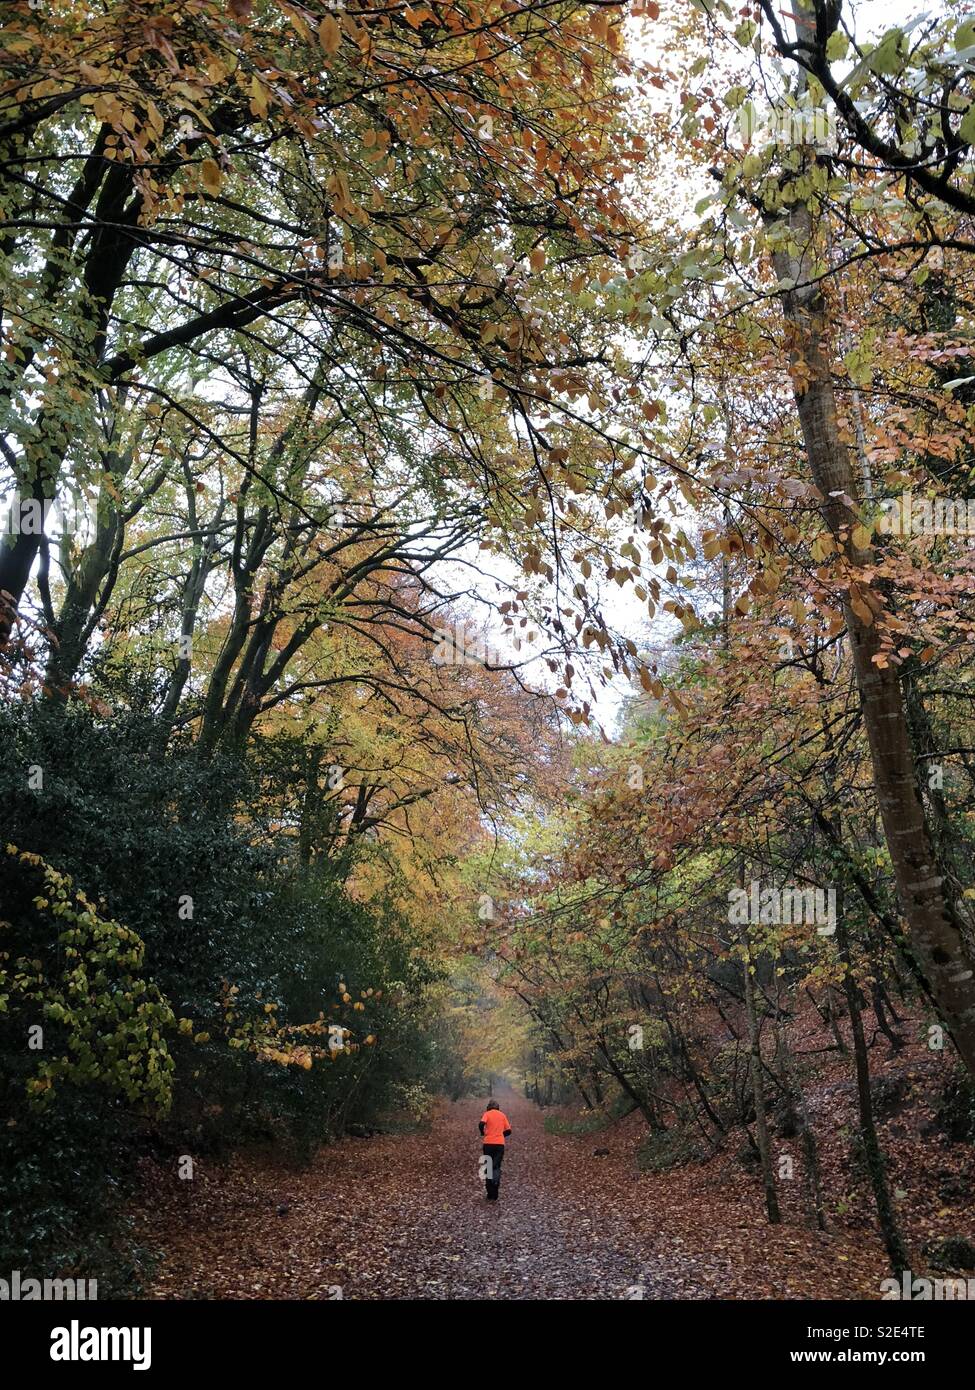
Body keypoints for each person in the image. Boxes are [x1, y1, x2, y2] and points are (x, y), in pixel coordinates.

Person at [478, 1099, 512, 1202]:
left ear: (488, 1107)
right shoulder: (502, 1115)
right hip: (499, 1145)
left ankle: (489, 1193)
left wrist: (482, 1133)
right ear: (498, 1107)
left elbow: (481, 1124)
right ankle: (495, 1192)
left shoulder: (487, 1114)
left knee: (488, 1165)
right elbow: (509, 1130)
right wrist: (501, 1136)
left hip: (488, 1143)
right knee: (496, 1166)